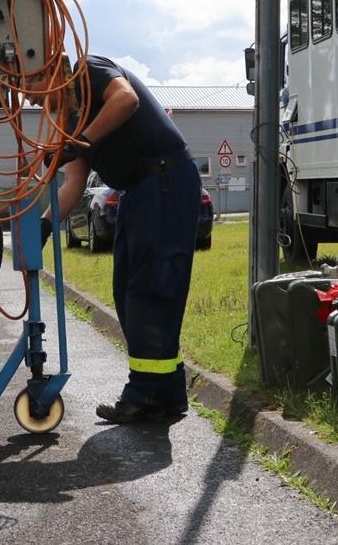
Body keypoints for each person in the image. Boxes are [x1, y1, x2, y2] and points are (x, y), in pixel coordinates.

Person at [27, 54, 201, 423]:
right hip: (138, 191)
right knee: (127, 291)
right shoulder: (68, 120)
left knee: (149, 290)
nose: (27, 97)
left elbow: (126, 99)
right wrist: (44, 226)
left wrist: (81, 141)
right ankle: (168, 393)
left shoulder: (87, 70)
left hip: (165, 181)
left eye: (29, 85)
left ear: (49, 69)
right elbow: (75, 183)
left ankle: (144, 394)